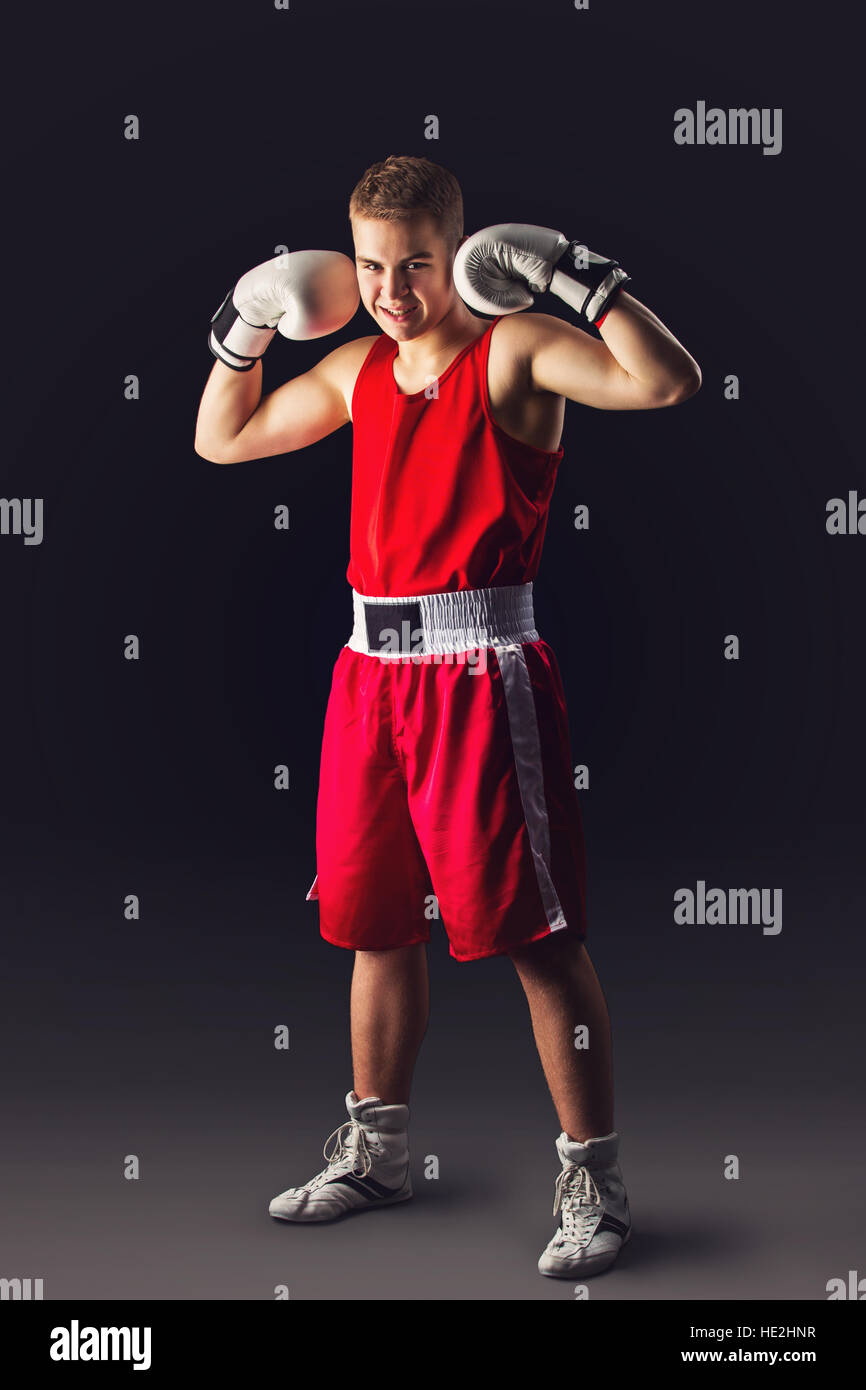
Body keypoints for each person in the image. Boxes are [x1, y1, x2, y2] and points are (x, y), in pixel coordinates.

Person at [194, 155, 701, 1279]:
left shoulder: (512, 352)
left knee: (534, 932)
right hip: (366, 677)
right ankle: (377, 1152)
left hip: (484, 672)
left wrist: (584, 281)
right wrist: (243, 324)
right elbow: (219, 439)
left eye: (415, 263)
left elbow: (667, 382)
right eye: (371, 264)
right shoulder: (359, 366)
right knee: (375, 921)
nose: (389, 288)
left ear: (459, 254)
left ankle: (594, 1181)